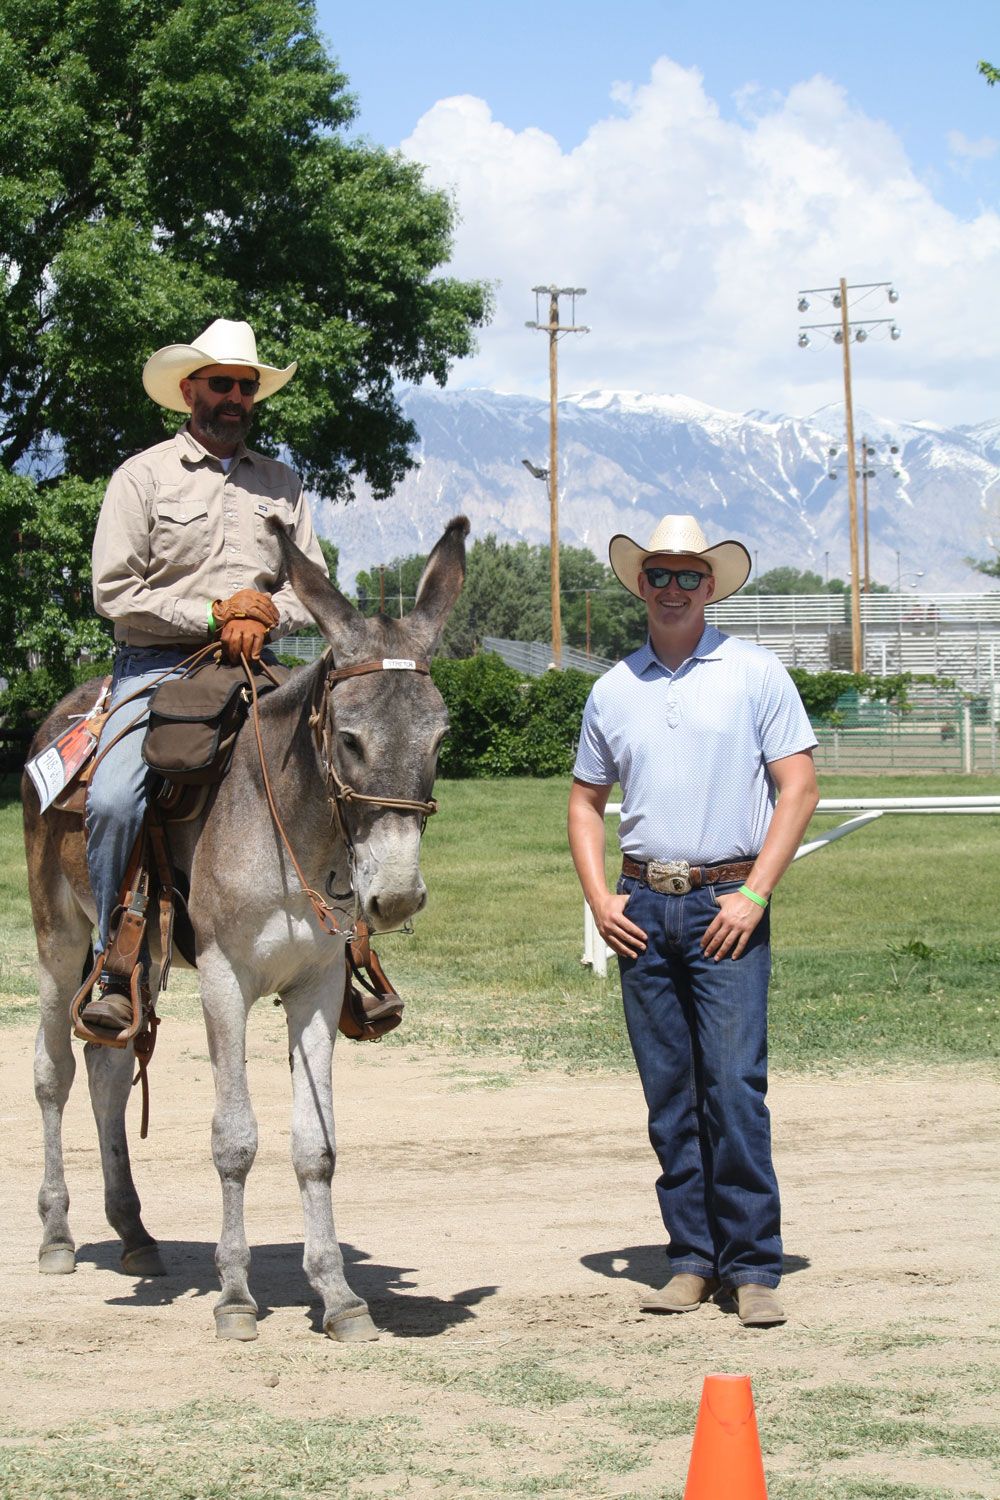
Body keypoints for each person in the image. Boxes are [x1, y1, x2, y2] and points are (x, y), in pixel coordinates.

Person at [567, 515, 819, 1328]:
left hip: (726, 904)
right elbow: (584, 803)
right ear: (640, 585)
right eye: (659, 575)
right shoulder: (613, 688)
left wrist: (756, 895)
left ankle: (752, 1266)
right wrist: (601, 897)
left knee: (734, 1088)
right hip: (643, 905)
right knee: (669, 1093)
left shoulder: (755, 674)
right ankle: (690, 1259)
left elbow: (799, 788)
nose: (673, 588)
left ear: (710, 586)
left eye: (688, 575)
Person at [83, 318, 329, 1032]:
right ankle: (113, 961)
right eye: (220, 383)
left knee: (349, 766)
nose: (234, 396)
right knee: (113, 800)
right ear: (189, 389)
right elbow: (114, 590)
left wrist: (263, 616)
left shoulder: (282, 483)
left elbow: (309, 589)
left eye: (245, 386)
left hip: (260, 663)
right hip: (158, 666)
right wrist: (217, 612)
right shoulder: (143, 475)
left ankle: (353, 947)